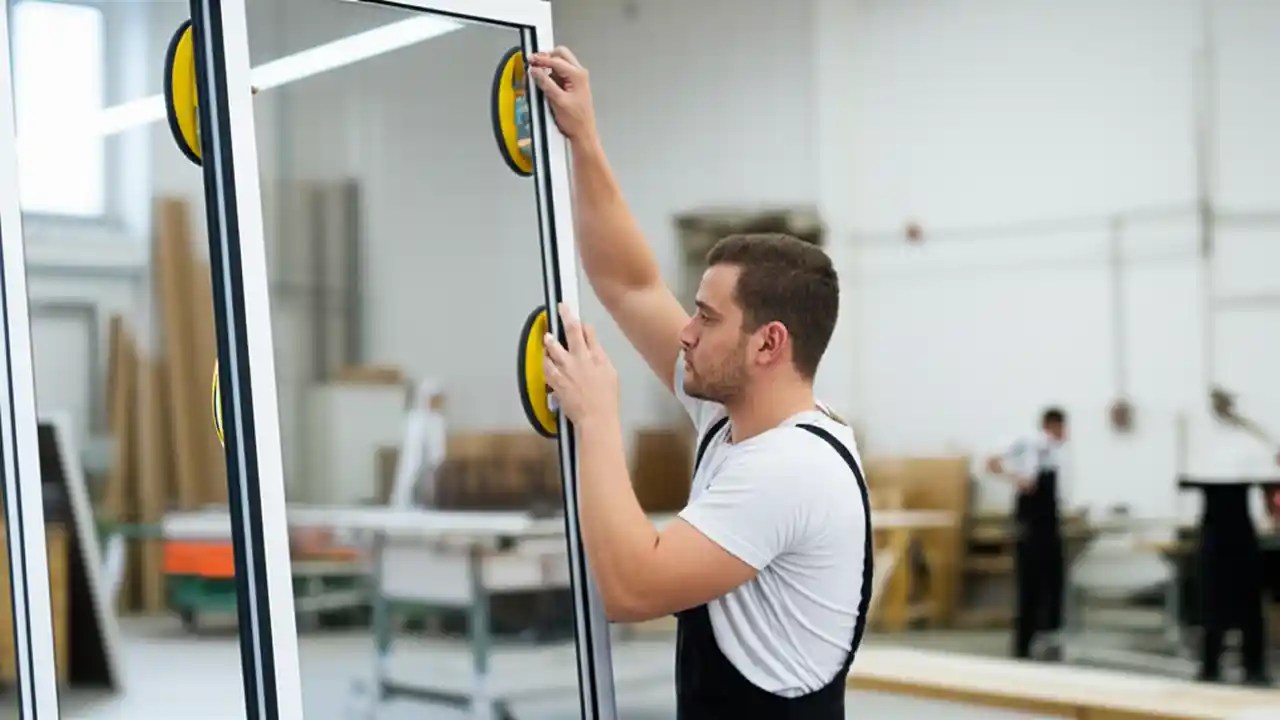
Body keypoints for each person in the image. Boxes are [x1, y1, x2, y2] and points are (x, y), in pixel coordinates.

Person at [528, 47, 872, 718]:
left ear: (769, 343)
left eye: (707, 318)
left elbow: (632, 589)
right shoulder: (736, 417)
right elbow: (629, 285)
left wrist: (597, 421)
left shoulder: (791, 467)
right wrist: (585, 140)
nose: (685, 331)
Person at [1181, 387, 1278, 686]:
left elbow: (1268, 480)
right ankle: (1210, 667)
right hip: (1215, 533)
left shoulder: (1247, 438)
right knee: (1213, 605)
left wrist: (1271, 509)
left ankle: (1254, 668)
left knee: (1247, 603)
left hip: (1239, 533)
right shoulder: (1205, 440)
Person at [985, 407, 1070, 661]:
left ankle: (1045, 639)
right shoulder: (1030, 442)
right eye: (1062, 428)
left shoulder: (1053, 452)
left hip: (1047, 523)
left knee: (1051, 581)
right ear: (1052, 426)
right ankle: (1024, 644)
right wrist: (1017, 479)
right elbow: (991, 462)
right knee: (1031, 584)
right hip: (1031, 523)